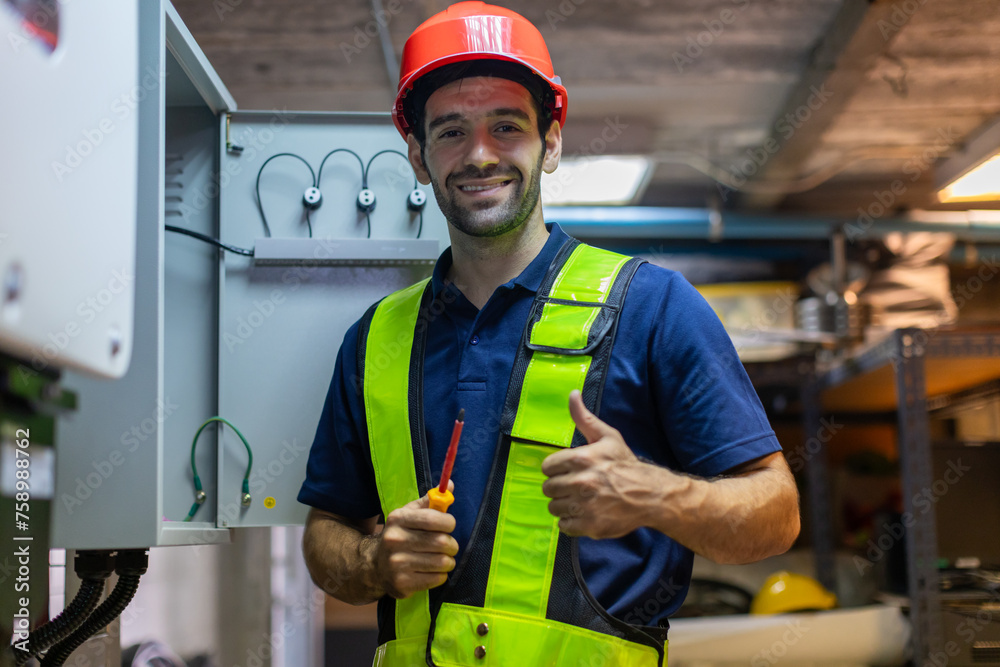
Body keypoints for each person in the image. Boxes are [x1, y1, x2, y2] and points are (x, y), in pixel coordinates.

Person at [298, 3, 800, 665]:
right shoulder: (373, 339)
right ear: (418, 157)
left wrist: (653, 493)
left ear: (552, 142)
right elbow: (324, 533)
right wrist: (372, 560)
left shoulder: (653, 306)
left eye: (506, 126)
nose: (479, 154)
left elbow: (776, 512)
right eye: (450, 132)